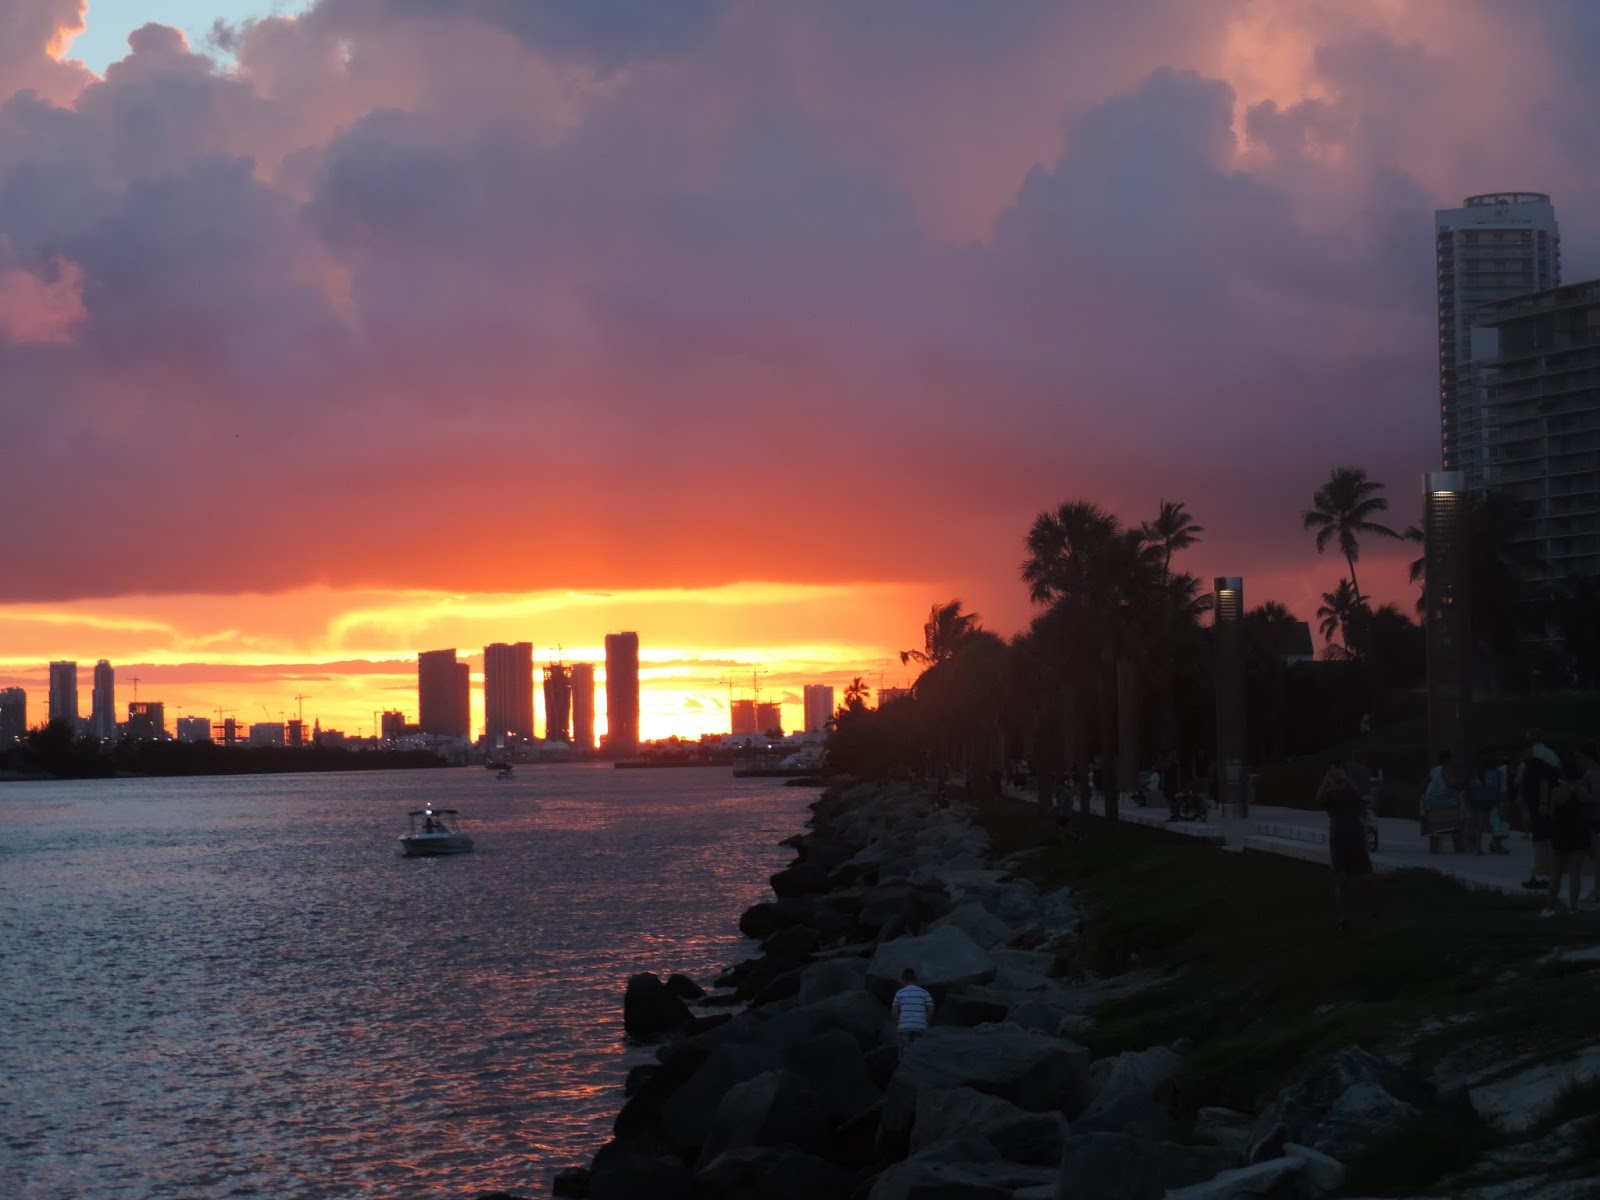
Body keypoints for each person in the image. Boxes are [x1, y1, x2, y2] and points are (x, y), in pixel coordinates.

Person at [1320, 760, 1376, 929]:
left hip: (1356, 836)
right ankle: (1343, 917)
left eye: (1339, 771)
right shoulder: (1329, 793)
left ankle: (1371, 910)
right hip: (1338, 838)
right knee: (1341, 879)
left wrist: (1345, 778)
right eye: (1334, 772)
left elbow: (1358, 794)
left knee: (1366, 876)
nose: (1337, 775)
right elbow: (1318, 799)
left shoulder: (1351, 789)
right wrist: (1325, 779)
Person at [1544, 759, 1589, 917]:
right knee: (1575, 873)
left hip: (1561, 832)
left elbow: (1551, 813)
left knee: (1555, 873)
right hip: (1579, 831)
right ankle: (1573, 908)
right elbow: (1587, 805)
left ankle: (1549, 908)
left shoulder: (1557, 792)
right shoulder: (1582, 791)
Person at [1518, 736, 1559, 891]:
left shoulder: (1535, 765)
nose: (1520, 755)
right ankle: (1545, 873)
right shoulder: (1532, 765)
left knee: (1541, 841)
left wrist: (1542, 803)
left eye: (1521, 752)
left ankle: (1541, 874)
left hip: (1540, 808)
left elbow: (1543, 783)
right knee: (1543, 840)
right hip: (1537, 808)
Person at [891, 967, 934, 1053]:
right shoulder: (924, 992)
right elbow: (931, 1009)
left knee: (905, 1057)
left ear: (903, 979)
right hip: (920, 1027)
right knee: (919, 1055)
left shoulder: (899, 993)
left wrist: (901, 1022)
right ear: (915, 979)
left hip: (904, 1027)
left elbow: (894, 1012)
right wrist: (925, 1021)